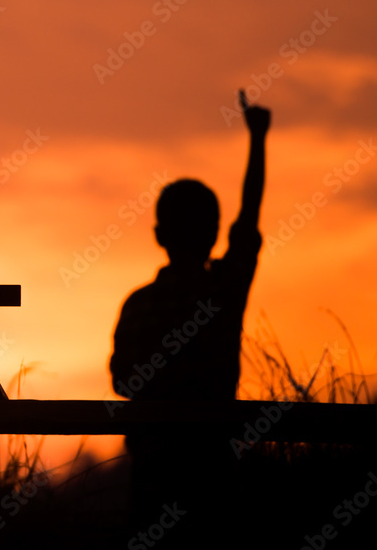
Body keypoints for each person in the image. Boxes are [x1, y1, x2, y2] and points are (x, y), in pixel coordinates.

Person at [109, 90, 270, 545]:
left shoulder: (137, 304)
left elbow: (122, 381)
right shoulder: (221, 290)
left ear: (159, 234)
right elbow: (250, 215)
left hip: (151, 474)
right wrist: (258, 140)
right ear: (213, 232)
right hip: (211, 472)